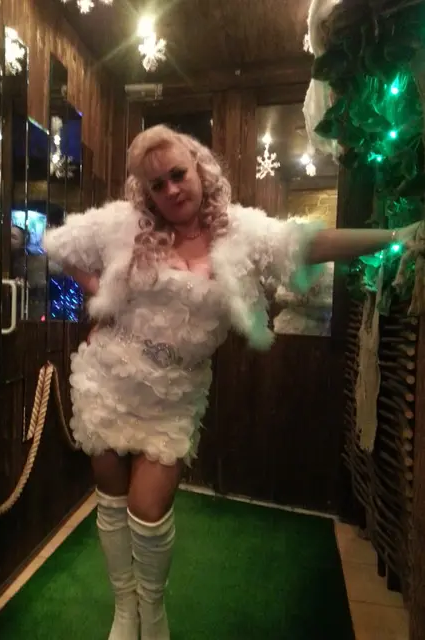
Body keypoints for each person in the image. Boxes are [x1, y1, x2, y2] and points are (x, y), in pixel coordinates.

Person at [44, 124, 420, 640]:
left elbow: (308, 243)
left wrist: (396, 237)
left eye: (178, 174)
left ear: (199, 168)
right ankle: (124, 609)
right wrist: (104, 296)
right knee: (110, 501)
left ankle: (153, 613)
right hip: (109, 378)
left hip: (174, 395)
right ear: (146, 192)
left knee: (146, 510)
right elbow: (58, 245)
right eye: (157, 184)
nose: (171, 189)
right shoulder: (126, 224)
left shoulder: (241, 232)